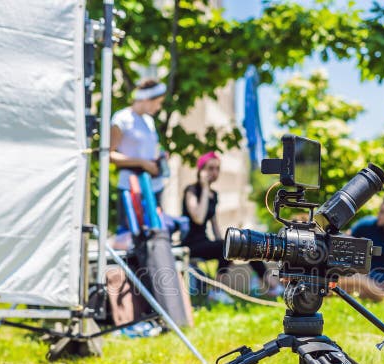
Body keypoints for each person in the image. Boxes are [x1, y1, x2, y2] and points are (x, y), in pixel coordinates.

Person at [181, 152, 277, 297]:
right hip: (191, 245)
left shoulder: (214, 194)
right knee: (226, 245)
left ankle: (270, 285)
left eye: (217, 169)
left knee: (243, 244)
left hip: (206, 242)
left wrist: (227, 243)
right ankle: (216, 291)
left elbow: (214, 225)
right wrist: (205, 188)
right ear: (201, 170)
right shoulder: (192, 191)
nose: (214, 172)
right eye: (210, 168)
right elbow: (199, 218)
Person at [109, 78, 168, 232]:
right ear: (147, 99)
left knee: (154, 230)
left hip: (152, 186)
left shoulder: (149, 121)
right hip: (131, 186)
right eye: (158, 102)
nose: (159, 107)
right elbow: (109, 154)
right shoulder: (121, 119)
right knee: (130, 231)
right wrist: (141, 163)